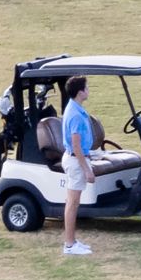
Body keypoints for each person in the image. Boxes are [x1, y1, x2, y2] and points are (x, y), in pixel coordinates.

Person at [61, 75, 94, 255]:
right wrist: (87, 169)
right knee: (73, 203)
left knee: (73, 202)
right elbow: (76, 145)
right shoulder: (75, 114)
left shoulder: (76, 109)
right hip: (75, 160)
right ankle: (69, 245)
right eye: (86, 88)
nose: (88, 90)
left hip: (76, 157)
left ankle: (72, 241)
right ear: (80, 92)